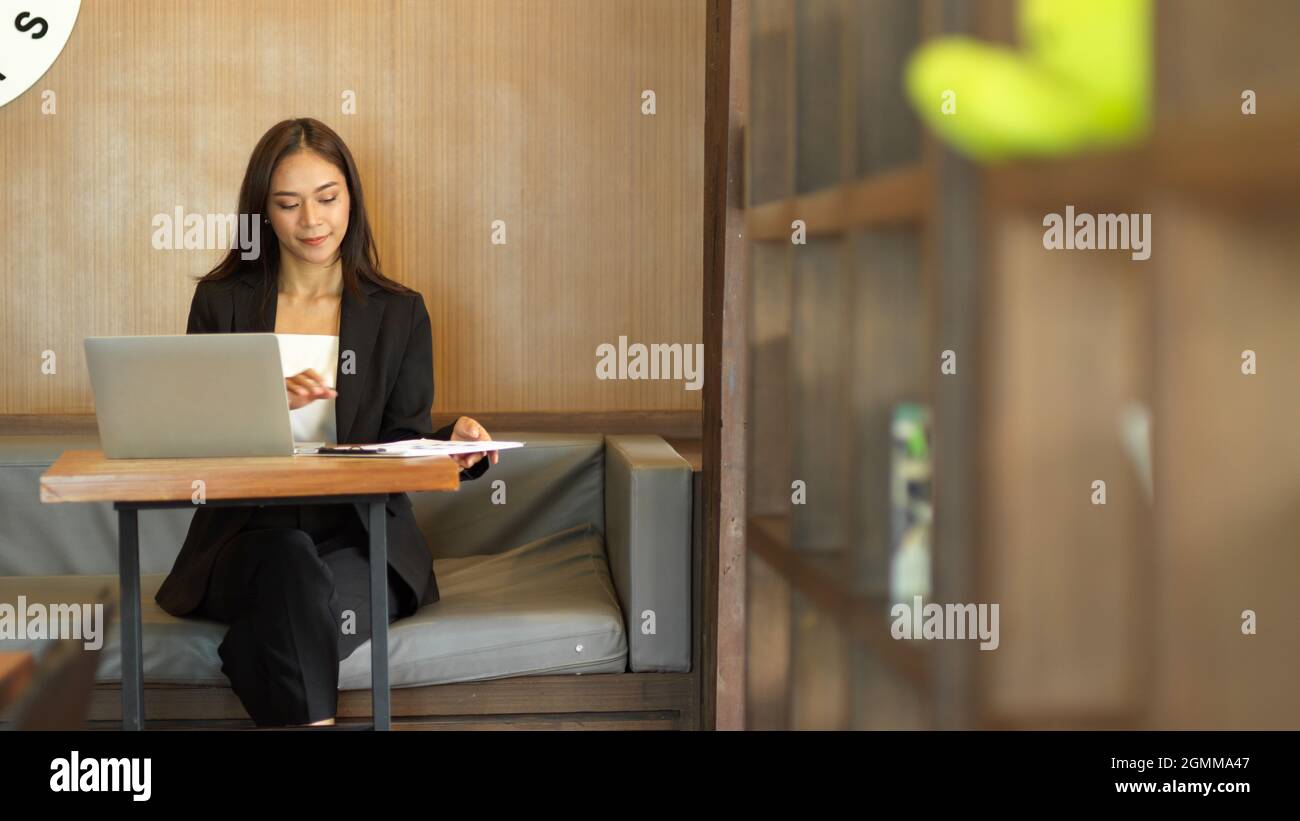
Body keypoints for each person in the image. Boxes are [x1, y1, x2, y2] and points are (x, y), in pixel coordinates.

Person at [154, 117, 497, 727]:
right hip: (246, 541)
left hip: (360, 539)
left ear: (351, 199)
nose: (311, 221)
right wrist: (260, 402)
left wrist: (453, 446)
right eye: (288, 204)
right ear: (263, 212)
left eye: (327, 199)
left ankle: (253, 655)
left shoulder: (400, 312)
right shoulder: (221, 303)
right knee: (289, 565)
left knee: (280, 621)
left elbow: (397, 444)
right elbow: (190, 438)